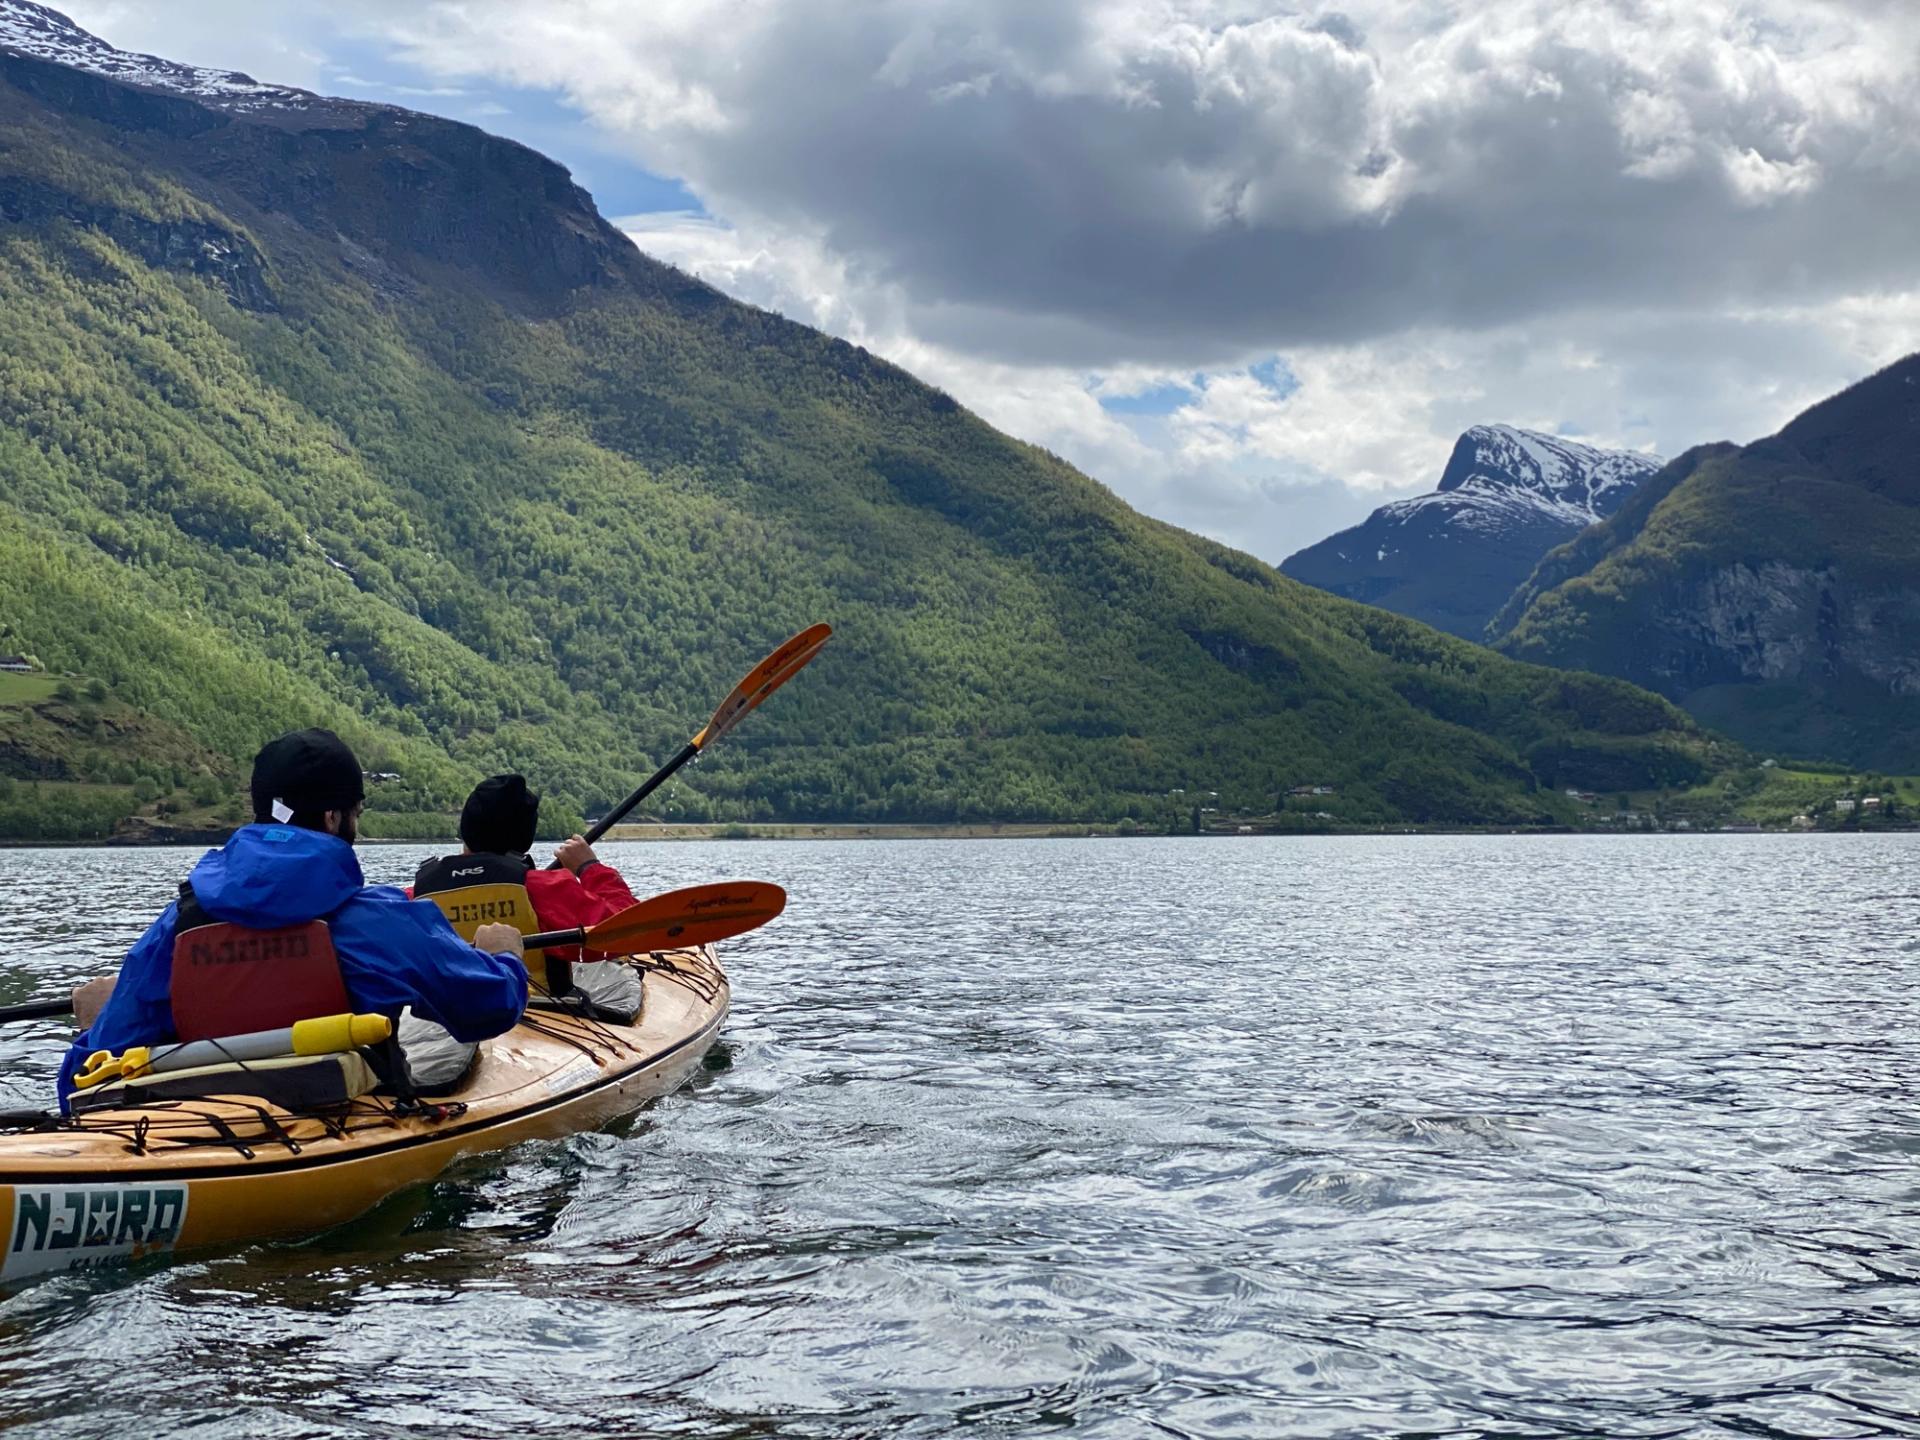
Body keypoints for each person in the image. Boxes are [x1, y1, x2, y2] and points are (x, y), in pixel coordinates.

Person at [57, 729, 529, 1111]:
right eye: (356, 812)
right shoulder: (378, 920)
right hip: (340, 1122)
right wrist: (504, 955)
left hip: (199, 1124)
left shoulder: (177, 925)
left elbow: (75, 1086)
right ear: (331, 819)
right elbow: (490, 1008)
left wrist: (96, 1024)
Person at [411, 775, 639, 993]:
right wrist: (589, 867)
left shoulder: (416, 895)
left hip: (439, 1017)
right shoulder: (544, 889)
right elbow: (631, 929)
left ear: (464, 831)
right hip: (537, 1008)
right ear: (525, 839)